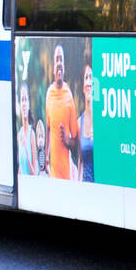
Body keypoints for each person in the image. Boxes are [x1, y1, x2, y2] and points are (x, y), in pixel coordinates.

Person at [45, 44, 80, 181]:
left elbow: (76, 141)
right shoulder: (49, 94)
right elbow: (48, 128)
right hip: (52, 174)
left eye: (61, 60)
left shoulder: (68, 96)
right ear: (53, 67)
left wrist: (67, 140)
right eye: (57, 60)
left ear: (64, 67)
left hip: (66, 175)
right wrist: (46, 159)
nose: (59, 63)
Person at [16, 84, 37, 176]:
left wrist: (26, 151)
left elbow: (34, 174)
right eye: (22, 100)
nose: (24, 104)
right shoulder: (18, 135)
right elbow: (19, 170)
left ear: (29, 104)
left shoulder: (32, 134)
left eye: (26, 100)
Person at [79, 63, 95, 184]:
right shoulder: (79, 122)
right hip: (86, 189)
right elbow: (80, 162)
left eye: (91, 77)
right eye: (86, 78)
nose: (89, 82)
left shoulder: (104, 122)